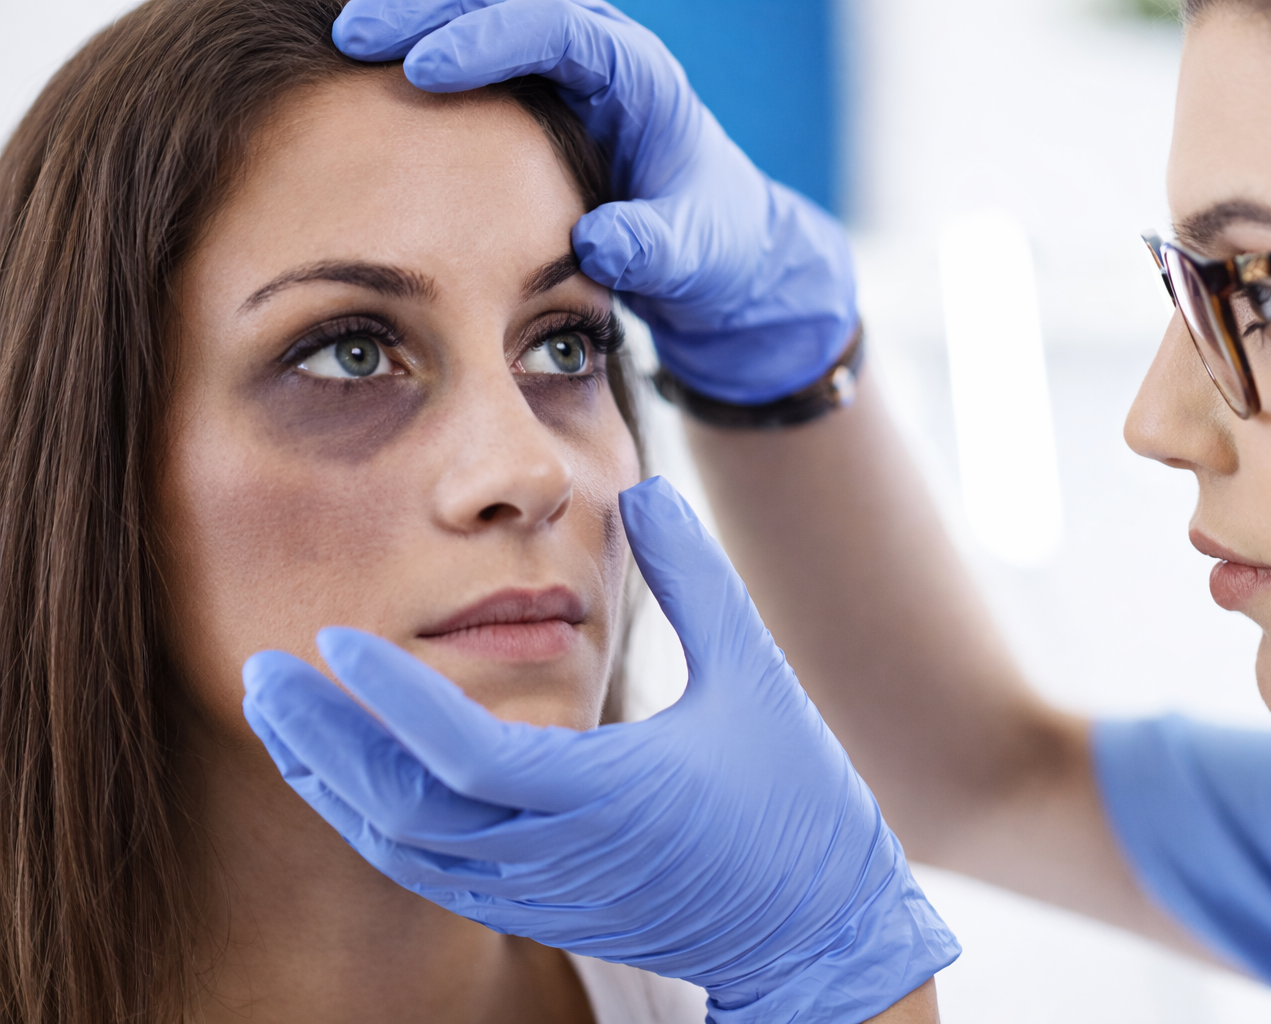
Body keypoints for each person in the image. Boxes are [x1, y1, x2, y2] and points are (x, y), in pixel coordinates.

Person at [262, 1, 1271, 1022]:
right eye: (351, 350)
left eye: (1256, 290)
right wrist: (779, 367)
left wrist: (840, 967)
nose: (1156, 422)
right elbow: (979, 777)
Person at [0, 0, 956, 1021]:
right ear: (90, 463)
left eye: (563, 345)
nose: (532, 469)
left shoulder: (732, 980)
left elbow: (992, 777)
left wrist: (835, 969)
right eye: (350, 353)